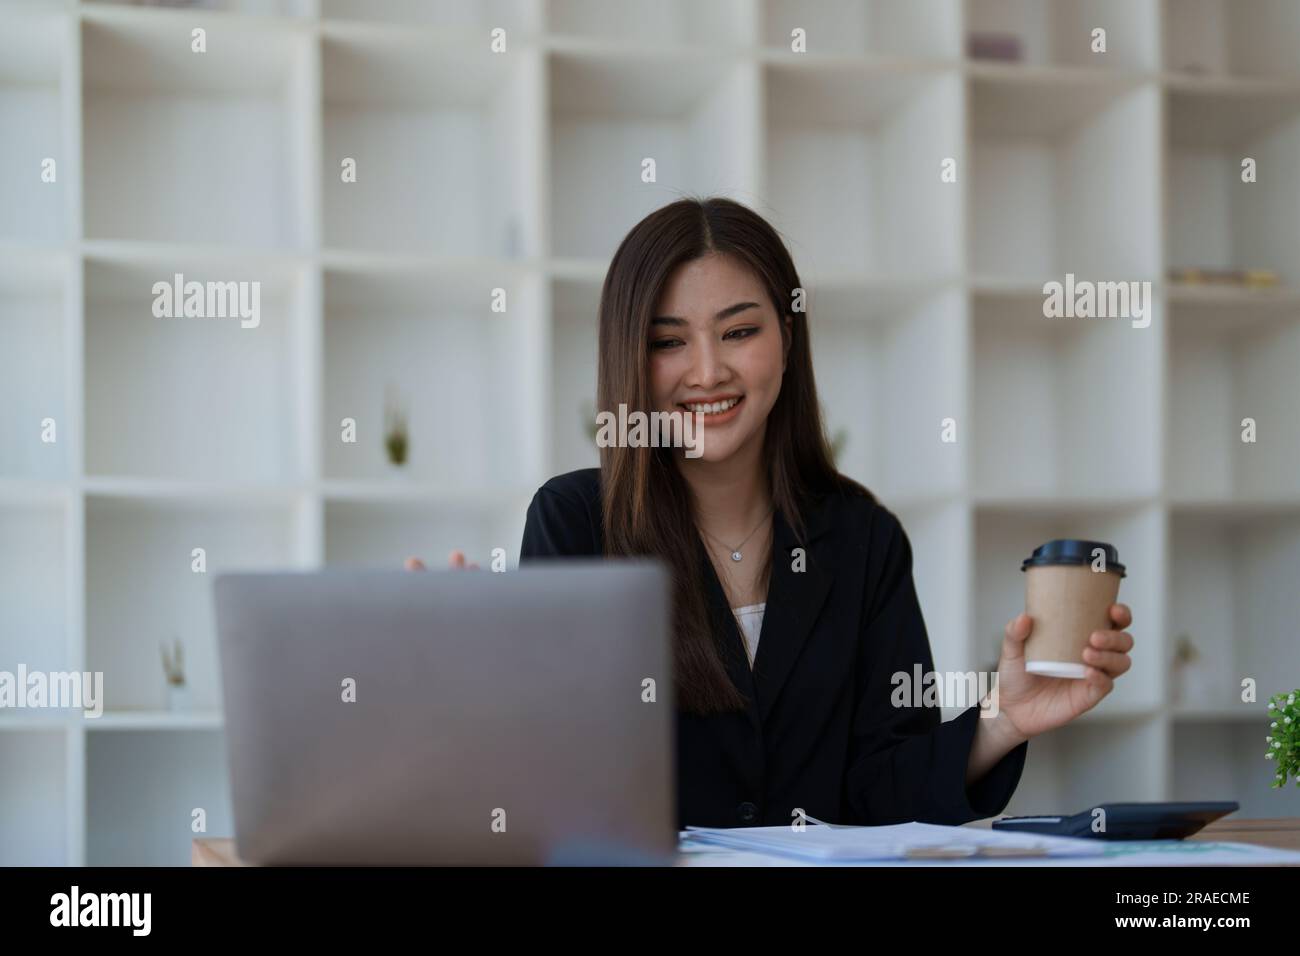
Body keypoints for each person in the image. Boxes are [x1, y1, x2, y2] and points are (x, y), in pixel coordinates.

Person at [410, 196, 1134, 830]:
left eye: (739, 331)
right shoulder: (576, 524)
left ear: (787, 339)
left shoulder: (863, 537)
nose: (707, 371)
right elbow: (550, 777)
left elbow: (880, 792)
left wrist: (1002, 720)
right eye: (668, 341)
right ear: (628, 358)